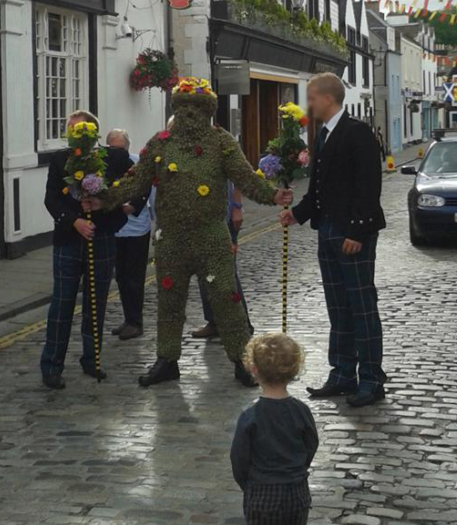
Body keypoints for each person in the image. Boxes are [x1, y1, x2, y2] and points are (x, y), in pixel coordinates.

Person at [89, 77, 292, 387]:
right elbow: (135, 180)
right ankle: (167, 360)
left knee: (226, 298)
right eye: (184, 108)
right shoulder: (161, 143)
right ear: (177, 109)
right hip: (171, 238)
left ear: (208, 110)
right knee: (169, 301)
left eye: (197, 108)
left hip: (212, 235)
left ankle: (242, 360)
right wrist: (104, 199)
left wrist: (273, 194)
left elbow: (245, 177)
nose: (190, 115)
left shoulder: (221, 142)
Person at [280, 73, 387, 408]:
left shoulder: (357, 132)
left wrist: (357, 231)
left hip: (351, 233)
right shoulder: (324, 135)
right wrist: (297, 214)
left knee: (361, 307)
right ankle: (342, 373)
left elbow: (369, 185)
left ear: (328, 98)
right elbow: (319, 190)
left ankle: (371, 379)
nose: (308, 104)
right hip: (326, 230)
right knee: (338, 307)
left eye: (311, 98)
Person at [40, 110, 134, 389]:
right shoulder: (60, 160)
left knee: (96, 303)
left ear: (93, 132)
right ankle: (52, 365)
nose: (73, 135)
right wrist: (75, 221)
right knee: (62, 303)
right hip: (69, 240)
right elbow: (51, 200)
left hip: (101, 237)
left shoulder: (113, 158)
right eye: (70, 130)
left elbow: (135, 184)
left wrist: (113, 203)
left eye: (79, 130)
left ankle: (92, 359)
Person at [230, 332, 319, 525]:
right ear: (294, 370)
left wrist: (247, 484)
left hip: (263, 489)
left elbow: (239, 458)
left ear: (253, 369)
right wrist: (299, 468)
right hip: (297, 489)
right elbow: (311, 443)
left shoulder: (251, 416)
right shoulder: (301, 410)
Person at [106, 128, 152, 341]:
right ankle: (128, 319)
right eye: (113, 148)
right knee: (122, 277)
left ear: (128, 147)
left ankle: (136, 322)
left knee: (134, 277)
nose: (117, 153)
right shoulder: (104, 165)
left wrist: (133, 205)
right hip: (116, 230)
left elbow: (146, 187)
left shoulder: (137, 164)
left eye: (121, 148)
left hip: (136, 229)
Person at [191, 182, 253, 339]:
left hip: (223, 216)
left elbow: (238, 174)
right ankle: (214, 322)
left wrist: (237, 206)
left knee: (226, 272)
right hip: (198, 217)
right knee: (204, 271)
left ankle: (242, 324)